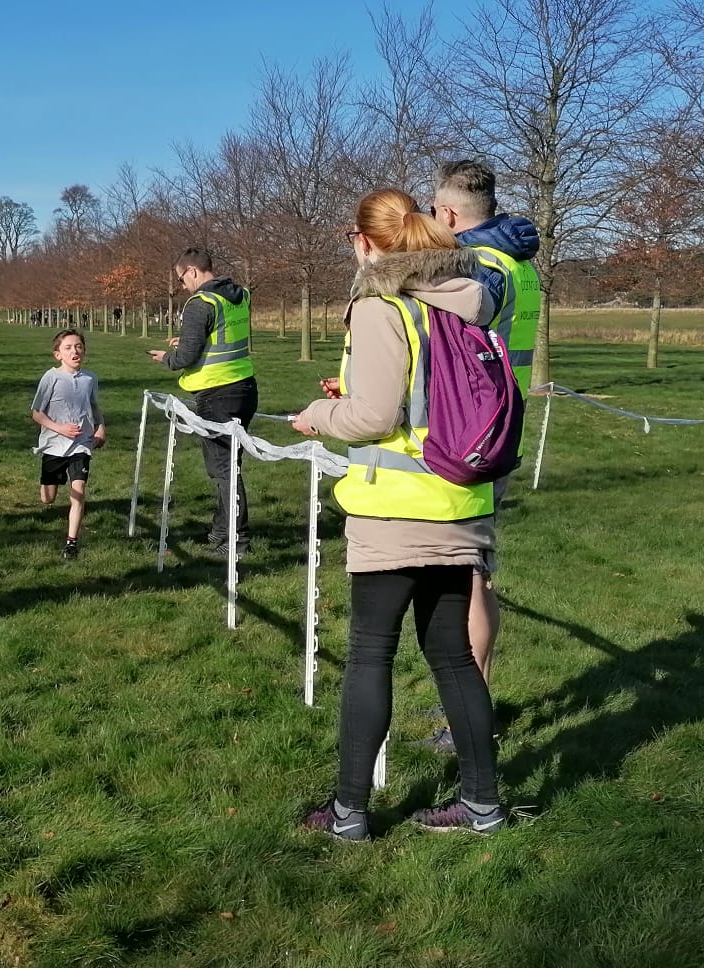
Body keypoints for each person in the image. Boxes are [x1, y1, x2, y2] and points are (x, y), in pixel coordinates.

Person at [290, 189, 503, 839]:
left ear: (363, 243)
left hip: (396, 505)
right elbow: (422, 395)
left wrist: (318, 416)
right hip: (458, 500)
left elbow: (374, 417)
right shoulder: (464, 298)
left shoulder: (381, 304)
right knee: (453, 659)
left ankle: (349, 812)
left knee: (370, 655)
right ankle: (482, 806)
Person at [429, 159, 544, 747]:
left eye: (433, 215)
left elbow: (464, 319)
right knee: (472, 571)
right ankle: (467, 705)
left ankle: (468, 717)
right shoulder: (517, 261)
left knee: (468, 575)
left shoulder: (483, 267)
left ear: (448, 214)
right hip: (499, 425)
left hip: (475, 433)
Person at [149, 247, 257, 556]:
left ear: (193, 271)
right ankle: (220, 532)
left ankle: (238, 541)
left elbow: (186, 357)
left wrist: (167, 358)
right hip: (244, 387)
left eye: (181, 279)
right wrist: (189, 340)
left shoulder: (200, 303)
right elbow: (221, 337)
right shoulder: (240, 295)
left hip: (216, 394)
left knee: (223, 471)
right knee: (230, 467)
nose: (182, 286)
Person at [30, 329, 105, 560]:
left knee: (79, 491)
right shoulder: (51, 377)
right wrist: (60, 428)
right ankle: (50, 484)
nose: (75, 351)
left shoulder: (89, 378)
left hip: (80, 444)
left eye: (79, 346)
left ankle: (71, 543)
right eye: (69, 347)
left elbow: (94, 406)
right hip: (54, 445)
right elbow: (36, 414)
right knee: (48, 498)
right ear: (58, 355)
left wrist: (100, 426)